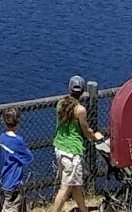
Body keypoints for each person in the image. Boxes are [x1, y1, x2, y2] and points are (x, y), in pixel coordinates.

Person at [49, 75, 104, 212]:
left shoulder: (60, 104)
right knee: (66, 187)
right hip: (72, 153)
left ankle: (83, 210)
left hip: (60, 148)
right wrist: (95, 136)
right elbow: (86, 131)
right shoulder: (80, 110)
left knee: (75, 184)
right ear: (83, 90)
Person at [0, 106, 34, 212]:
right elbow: (29, 158)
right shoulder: (18, 141)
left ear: (3, 121)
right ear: (18, 120)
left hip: (5, 179)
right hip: (14, 183)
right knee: (10, 207)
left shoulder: (2, 137)